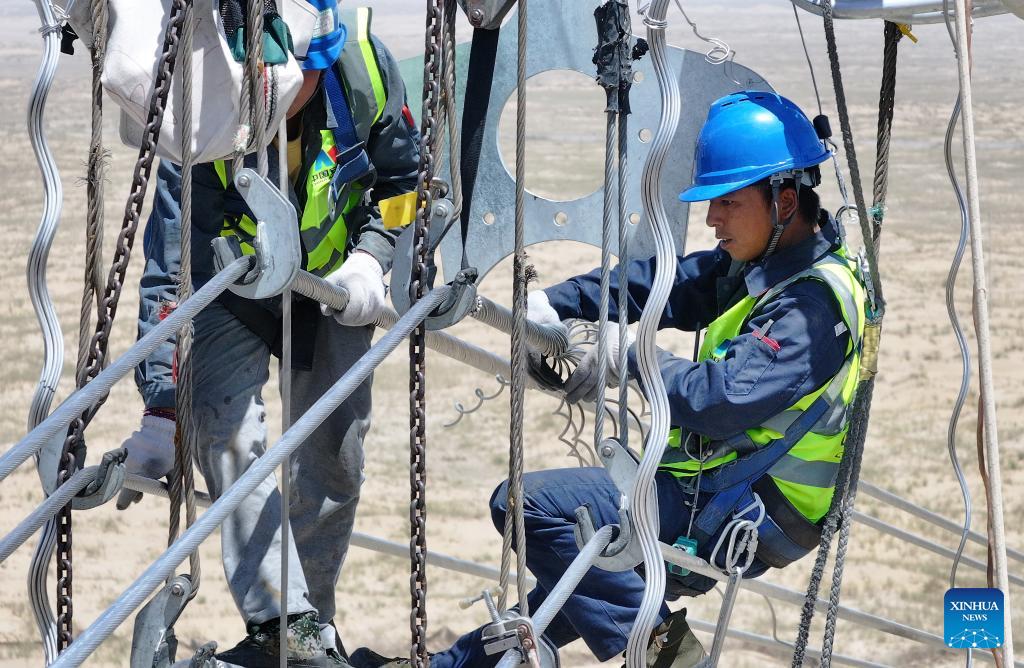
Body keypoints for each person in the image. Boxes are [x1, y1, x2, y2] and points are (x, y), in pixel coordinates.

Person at [352, 91, 867, 668]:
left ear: (785, 201)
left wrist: (632, 353)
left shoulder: (810, 308)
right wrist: (558, 303)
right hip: (722, 490)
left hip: (739, 505)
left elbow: (721, 399)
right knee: (570, 591)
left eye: (727, 202)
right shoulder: (768, 269)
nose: (713, 219)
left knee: (528, 505)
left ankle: (667, 655)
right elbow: (665, 284)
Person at [117, 3, 421, 666]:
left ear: (317, 65)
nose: (265, 110)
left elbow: (403, 182)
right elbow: (172, 258)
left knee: (333, 454)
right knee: (222, 429)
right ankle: (286, 623)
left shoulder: (363, 69)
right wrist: (163, 400)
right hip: (235, 286)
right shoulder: (202, 104)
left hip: (339, 286)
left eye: (284, 91)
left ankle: (316, 620)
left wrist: (374, 255)